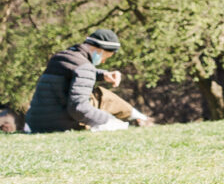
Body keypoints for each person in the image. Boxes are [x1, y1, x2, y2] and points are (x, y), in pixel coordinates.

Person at [24, 29, 154, 133]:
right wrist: (110, 121)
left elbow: (73, 73)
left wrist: (103, 75)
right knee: (100, 95)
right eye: (106, 57)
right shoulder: (84, 67)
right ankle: (141, 118)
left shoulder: (61, 58)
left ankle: (139, 117)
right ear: (100, 50)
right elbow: (78, 108)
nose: (103, 61)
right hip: (60, 125)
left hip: (34, 123)